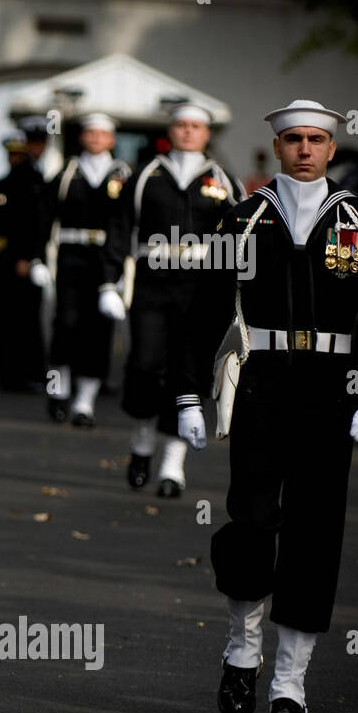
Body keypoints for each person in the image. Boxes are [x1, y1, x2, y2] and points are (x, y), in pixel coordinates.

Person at [175, 99, 358, 713]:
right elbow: (201, 314)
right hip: (262, 385)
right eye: (294, 140)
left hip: (332, 393)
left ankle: (290, 688)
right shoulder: (240, 222)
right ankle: (242, 652)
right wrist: (189, 396)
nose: (305, 149)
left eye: (316, 140)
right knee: (250, 521)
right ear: (276, 148)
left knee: (315, 535)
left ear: (333, 148)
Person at [101, 104, 244, 496]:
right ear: (170, 129)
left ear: (206, 133)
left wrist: (240, 291)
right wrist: (110, 282)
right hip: (152, 282)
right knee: (147, 363)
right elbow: (120, 228)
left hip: (201, 287)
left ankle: (172, 464)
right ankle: (142, 442)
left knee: (189, 371)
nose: (187, 131)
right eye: (181, 125)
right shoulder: (146, 175)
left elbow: (242, 236)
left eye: (195, 126)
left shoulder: (223, 179)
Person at [39, 113, 131, 427]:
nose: (95, 138)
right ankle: (57, 391)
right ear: (82, 137)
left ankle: (84, 403)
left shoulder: (123, 174)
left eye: (102, 134)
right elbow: (44, 216)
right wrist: (39, 258)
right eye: (90, 133)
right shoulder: (67, 172)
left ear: (111, 140)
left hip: (106, 259)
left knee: (98, 330)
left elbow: (131, 221)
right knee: (65, 322)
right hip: (71, 255)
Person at [0, 127, 48, 392]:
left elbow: (36, 226)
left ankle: (29, 372)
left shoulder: (36, 185)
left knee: (26, 320)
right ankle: (6, 373)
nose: (16, 160)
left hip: (24, 264)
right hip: (1, 265)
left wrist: (29, 257)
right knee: (1, 320)